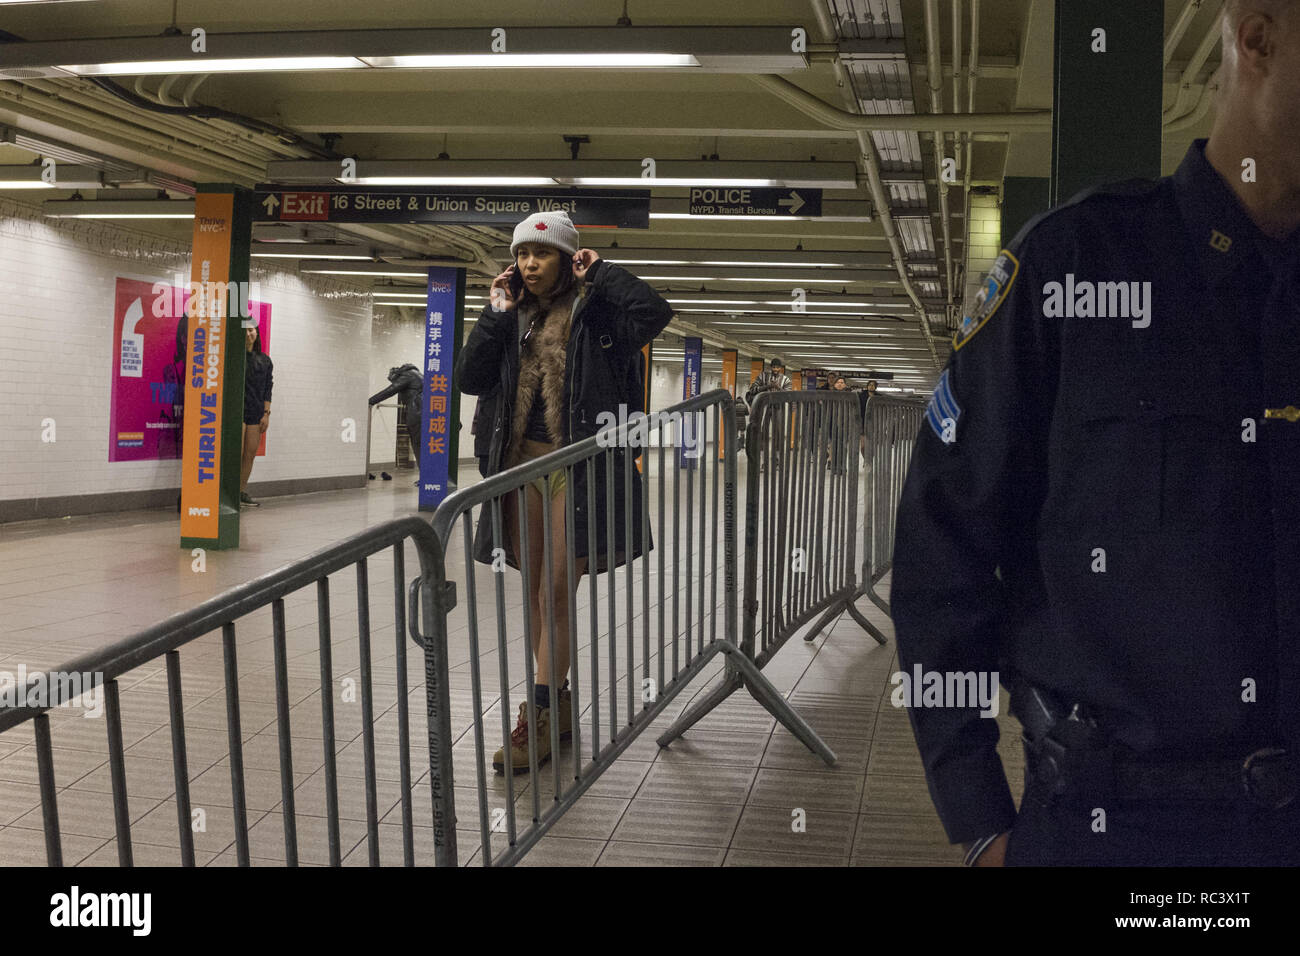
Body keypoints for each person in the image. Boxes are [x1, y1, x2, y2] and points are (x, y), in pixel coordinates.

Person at [891, 0, 1300, 867]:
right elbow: (945, 542)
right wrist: (976, 815)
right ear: (1259, 36)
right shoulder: (1075, 271)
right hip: (1113, 831)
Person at [454, 211, 673, 774]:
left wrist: (603, 273)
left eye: (543, 253)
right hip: (519, 466)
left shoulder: (597, 311)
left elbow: (655, 313)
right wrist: (493, 314)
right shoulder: (513, 315)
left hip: (578, 468)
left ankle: (542, 713)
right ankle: (558, 700)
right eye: (523, 253)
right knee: (535, 593)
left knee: (554, 590)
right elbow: (471, 379)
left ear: (568, 259)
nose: (530, 264)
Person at [369, 363, 424, 481]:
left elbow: (390, 390)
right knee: (422, 445)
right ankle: (427, 476)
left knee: (418, 445)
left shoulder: (407, 375)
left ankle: (425, 477)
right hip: (424, 413)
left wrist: (370, 401)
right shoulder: (418, 375)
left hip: (418, 413)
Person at [239, 325, 273, 507]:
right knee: (236, 453)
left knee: (249, 454)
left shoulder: (265, 360)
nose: (248, 333)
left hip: (256, 411)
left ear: (256, 333)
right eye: (244, 330)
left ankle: (240, 492)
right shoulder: (234, 357)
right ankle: (227, 492)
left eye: (251, 330)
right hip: (237, 411)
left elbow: (268, 388)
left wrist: (266, 414)